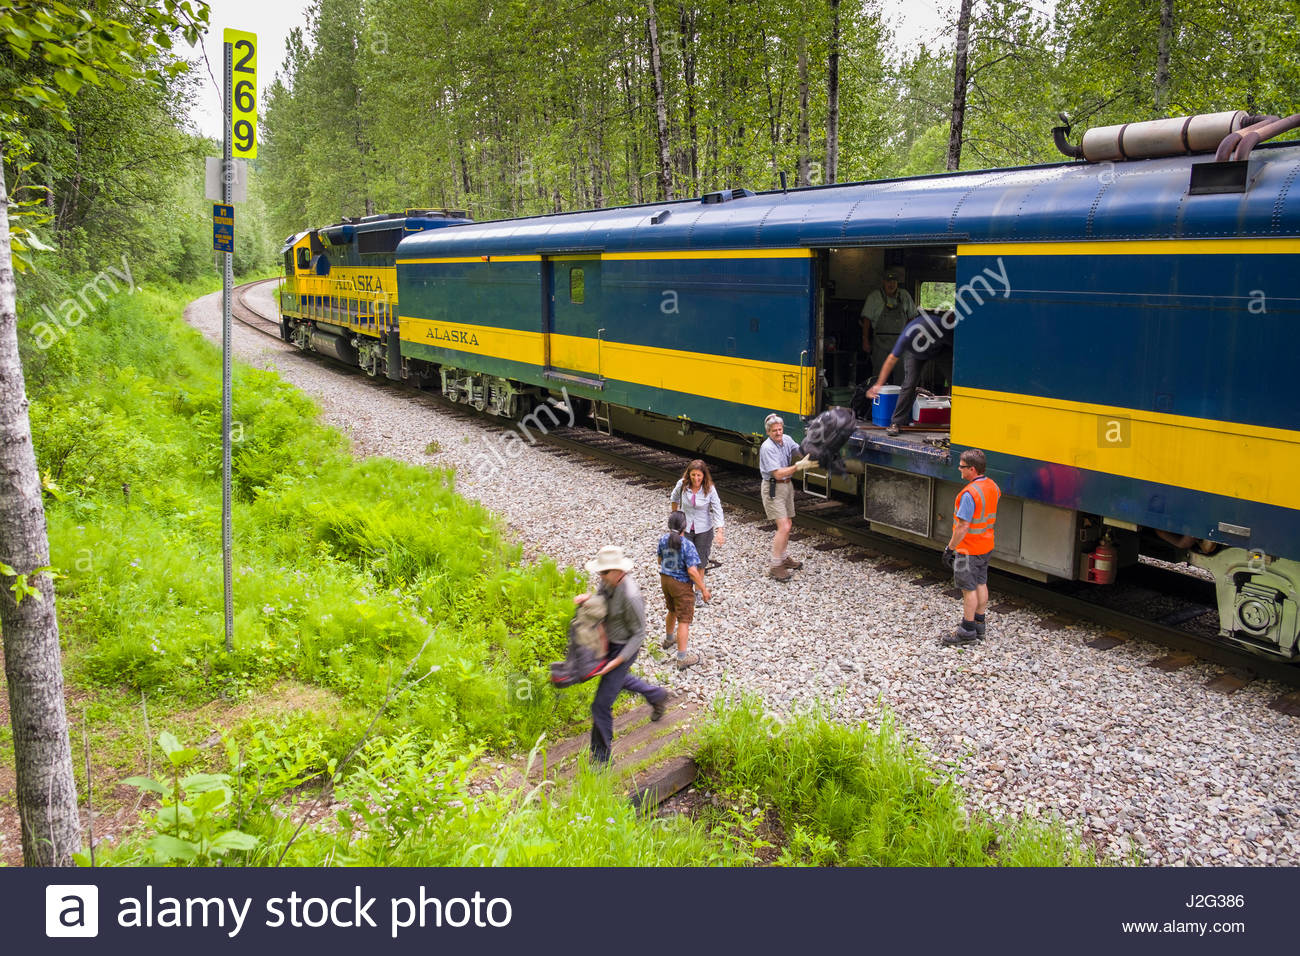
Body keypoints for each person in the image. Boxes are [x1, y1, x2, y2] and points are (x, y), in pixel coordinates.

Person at [579, 545, 669, 766]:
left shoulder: (631, 596)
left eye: (604, 572)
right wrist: (588, 600)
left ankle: (601, 759)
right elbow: (602, 602)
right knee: (617, 681)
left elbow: (639, 634)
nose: (600, 576)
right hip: (609, 643)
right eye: (600, 572)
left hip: (624, 650)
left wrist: (616, 662)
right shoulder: (607, 582)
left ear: (619, 571)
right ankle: (656, 695)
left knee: (600, 705)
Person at [941, 448, 1000, 646]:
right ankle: (979, 624)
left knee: (968, 589)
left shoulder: (969, 494)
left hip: (967, 549)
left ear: (972, 469)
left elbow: (963, 526)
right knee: (981, 583)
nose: (959, 469)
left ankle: (966, 631)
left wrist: (950, 548)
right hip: (986, 545)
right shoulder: (992, 486)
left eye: (962, 466)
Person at [865, 310, 956, 436]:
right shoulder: (907, 336)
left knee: (955, 381)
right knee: (909, 383)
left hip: (940, 351)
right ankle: (896, 423)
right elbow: (890, 360)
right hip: (914, 355)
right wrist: (878, 385)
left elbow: (957, 348)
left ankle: (959, 421)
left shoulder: (942, 328)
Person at [759, 413, 814, 581]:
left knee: (788, 524)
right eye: (774, 430)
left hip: (787, 486)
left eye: (780, 429)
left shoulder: (786, 439)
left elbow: (799, 450)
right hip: (774, 487)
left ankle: (783, 558)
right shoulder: (767, 447)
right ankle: (776, 566)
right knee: (783, 526)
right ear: (768, 432)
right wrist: (798, 466)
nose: (778, 433)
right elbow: (777, 473)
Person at [657, 511, 710, 670]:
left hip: (665, 580)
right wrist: (703, 589)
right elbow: (693, 572)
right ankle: (682, 657)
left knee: (672, 610)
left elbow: (660, 560)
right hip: (681, 585)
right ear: (684, 527)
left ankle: (668, 639)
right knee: (684, 620)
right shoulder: (687, 544)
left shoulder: (663, 539)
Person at [669, 459, 725, 606]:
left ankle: (699, 592)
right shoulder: (682, 484)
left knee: (700, 562)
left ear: (704, 476)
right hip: (685, 528)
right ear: (689, 474)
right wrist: (675, 517)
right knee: (686, 561)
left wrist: (720, 530)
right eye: (693, 475)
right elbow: (673, 498)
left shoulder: (710, 489)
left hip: (704, 530)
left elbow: (717, 509)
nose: (696, 479)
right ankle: (686, 590)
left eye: (699, 476)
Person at [860, 267, 918, 382]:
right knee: (879, 376)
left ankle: (900, 399)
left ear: (897, 282)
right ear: (883, 282)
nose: (891, 284)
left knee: (902, 376)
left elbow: (912, 318)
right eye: (888, 281)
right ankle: (878, 399)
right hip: (880, 343)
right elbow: (866, 320)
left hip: (900, 343)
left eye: (894, 281)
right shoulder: (874, 297)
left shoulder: (904, 295)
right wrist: (865, 340)